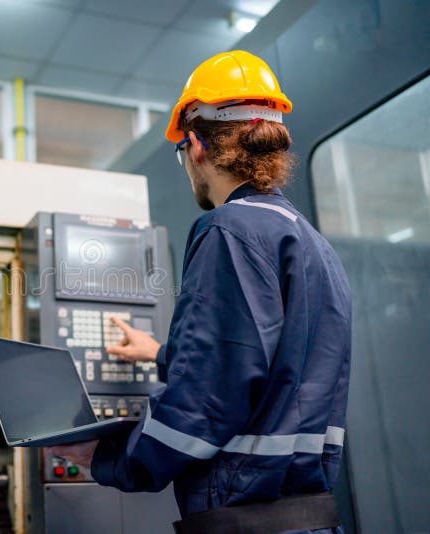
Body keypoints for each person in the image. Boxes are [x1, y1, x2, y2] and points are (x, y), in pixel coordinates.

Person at [51, 50, 352, 534]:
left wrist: (108, 459)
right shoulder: (312, 243)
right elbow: (272, 368)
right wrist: (160, 353)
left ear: (194, 147)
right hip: (309, 519)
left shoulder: (228, 230)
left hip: (243, 520)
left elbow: (205, 403)